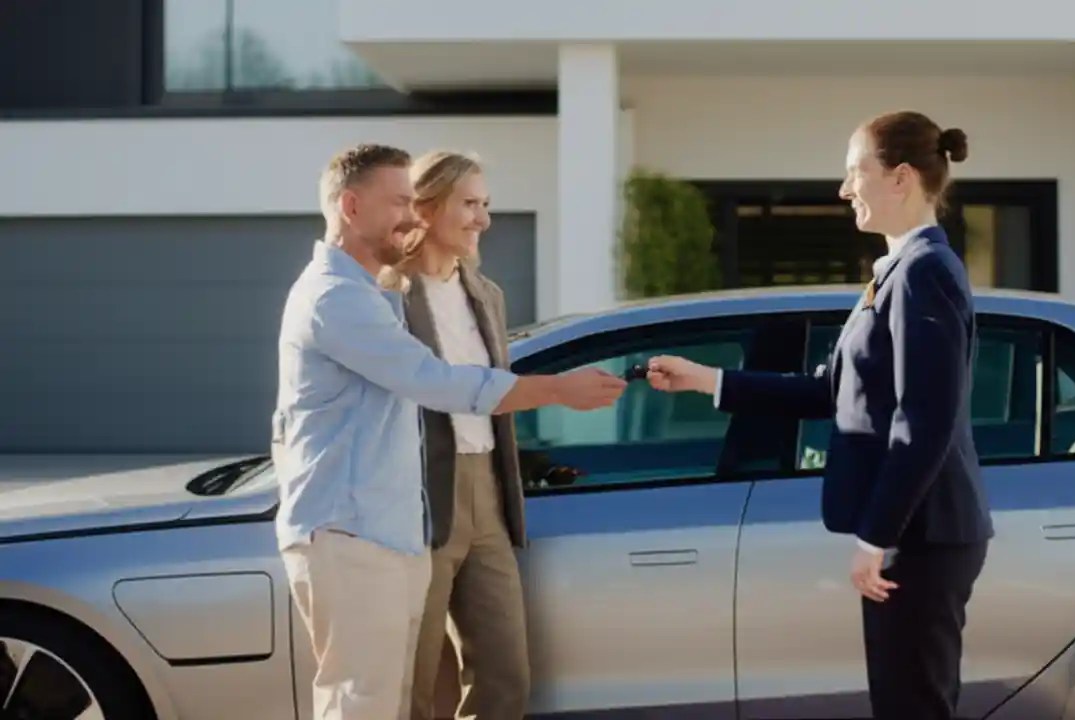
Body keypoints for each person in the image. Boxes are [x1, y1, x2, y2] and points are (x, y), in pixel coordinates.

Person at [645, 111, 994, 720]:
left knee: (913, 706)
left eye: (854, 172)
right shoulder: (901, 271)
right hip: (916, 534)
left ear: (900, 178)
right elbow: (831, 393)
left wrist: (877, 535)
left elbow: (925, 419)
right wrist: (706, 380)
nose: (843, 189)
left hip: (921, 537)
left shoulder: (924, 272)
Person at [271, 143, 626, 720]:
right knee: (379, 694)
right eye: (404, 202)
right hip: (380, 519)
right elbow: (435, 383)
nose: (483, 219)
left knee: (449, 681)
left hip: (407, 518)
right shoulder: (360, 296)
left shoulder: (403, 293)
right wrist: (558, 389)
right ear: (353, 206)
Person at [375, 150, 532, 719]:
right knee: (410, 686)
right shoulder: (384, 295)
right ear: (426, 206)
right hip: (418, 502)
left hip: (487, 494)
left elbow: (495, 396)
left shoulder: (486, 294)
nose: (482, 219)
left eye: (486, 205)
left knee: (505, 676)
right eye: (469, 204)